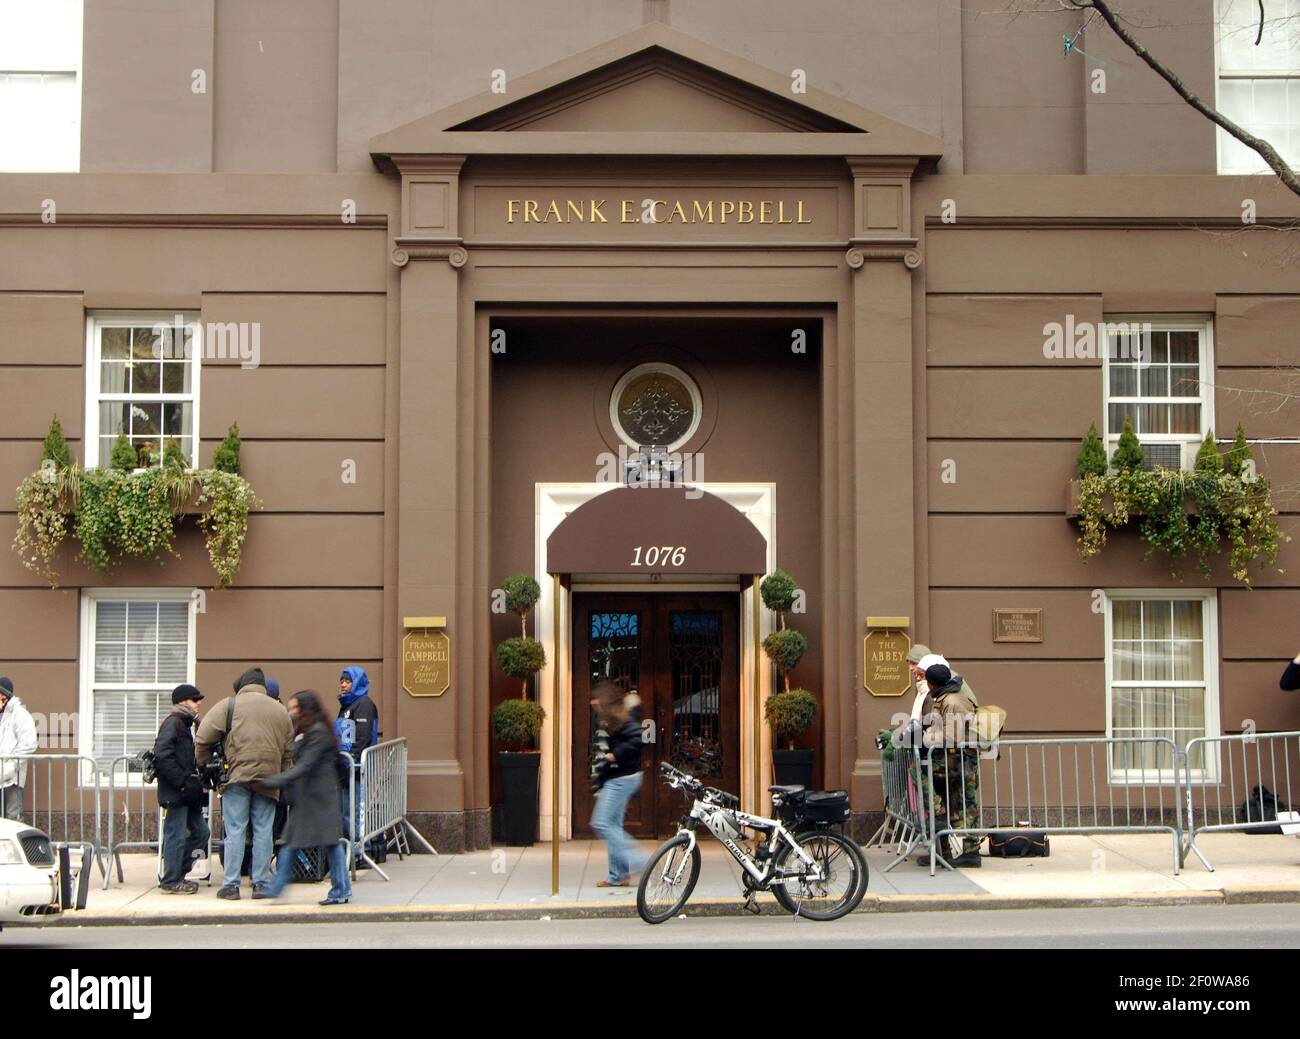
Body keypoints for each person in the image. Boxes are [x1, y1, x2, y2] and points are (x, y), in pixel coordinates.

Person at [196, 667, 293, 900]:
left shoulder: (229, 705)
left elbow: (202, 739)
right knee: (263, 830)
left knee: (236, 830)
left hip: (236, 776)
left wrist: (206, 765)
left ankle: (231, 885)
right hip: (269, 779)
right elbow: (289, 751)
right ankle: (260, 883)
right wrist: (282, 776)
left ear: (241, 686)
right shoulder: (280, 710)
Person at [263, 690, 351, 906]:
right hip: (308, 798)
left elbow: (305, 765)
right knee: (291, 842)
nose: (292, 712)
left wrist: (274, 780)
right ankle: (277, 888)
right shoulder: (307, 730)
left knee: (330, 843)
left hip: (321, 798)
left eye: (295, 708)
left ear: (305, 709)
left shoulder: (318, 732)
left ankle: (341, 890)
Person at [918, 662, 982, 868]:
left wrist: (924, 738)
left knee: (967, 803)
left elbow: (950, 737)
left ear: (931, 684)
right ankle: (943, 849)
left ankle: (971, 851)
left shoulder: (953, 701)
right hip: (953, 760)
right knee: (955, 801)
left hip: (961, 761)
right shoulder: (945, 696)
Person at [588, 680, 645, 888]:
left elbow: (639, 738)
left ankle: (640, 860)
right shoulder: (610, 719)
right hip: (620, 778)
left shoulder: (624, 718)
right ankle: (618, 875)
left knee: (601, 823)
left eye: (597, 700)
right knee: (613, 826)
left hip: (622, 779)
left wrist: (614, 755)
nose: (593, 703)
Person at [153, 683, 210, 894]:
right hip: (177, 792)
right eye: (195, 700)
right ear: (182, 702)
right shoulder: (173, 723)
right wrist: (182, 781)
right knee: (175, 835)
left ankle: (178, 874)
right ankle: (171, 880)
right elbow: (162, 755)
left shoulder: (186, 725)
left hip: (187, 792)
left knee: (202, 833)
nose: (199, 703)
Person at [336, 667, 379, 864]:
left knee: (355, 812)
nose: (343, 684)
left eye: (348, 681)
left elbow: (362, 738)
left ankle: (360, 852)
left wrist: (350, 759)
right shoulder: (347, 705)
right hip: (346, 768)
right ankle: (353, 850)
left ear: (357, 682)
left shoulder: (364, 705)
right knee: (347, 813)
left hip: (356, 769)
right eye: (342, 680)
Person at [0, 677, 37, 822]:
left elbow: (29, 743)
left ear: (5, 697)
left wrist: (11, 766)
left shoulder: (20, 715)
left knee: (12, 818)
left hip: (12, 778)